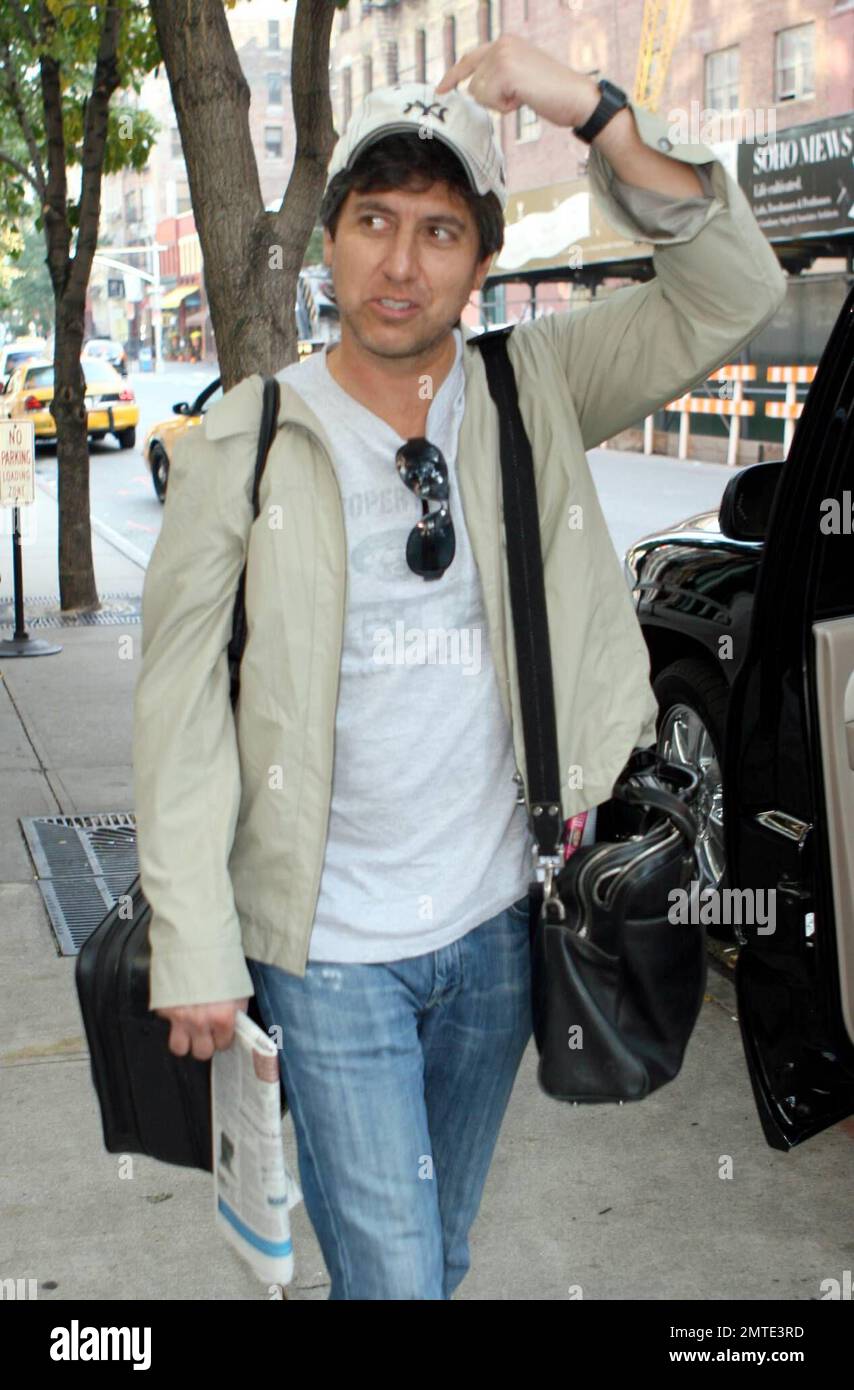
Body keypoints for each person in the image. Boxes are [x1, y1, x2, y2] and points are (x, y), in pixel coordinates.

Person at [132, 34, 786, 1299]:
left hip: (494, 928)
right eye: (372, 219)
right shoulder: (246, 437)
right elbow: (174, 710)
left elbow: (728, 284)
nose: (398, 260)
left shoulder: (531, 384)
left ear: (482, 260)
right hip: (322, 947)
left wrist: (585, 107)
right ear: (327, 239)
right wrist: (195, 938)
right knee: (397, 1278)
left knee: (434, 1253)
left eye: (438, 229)